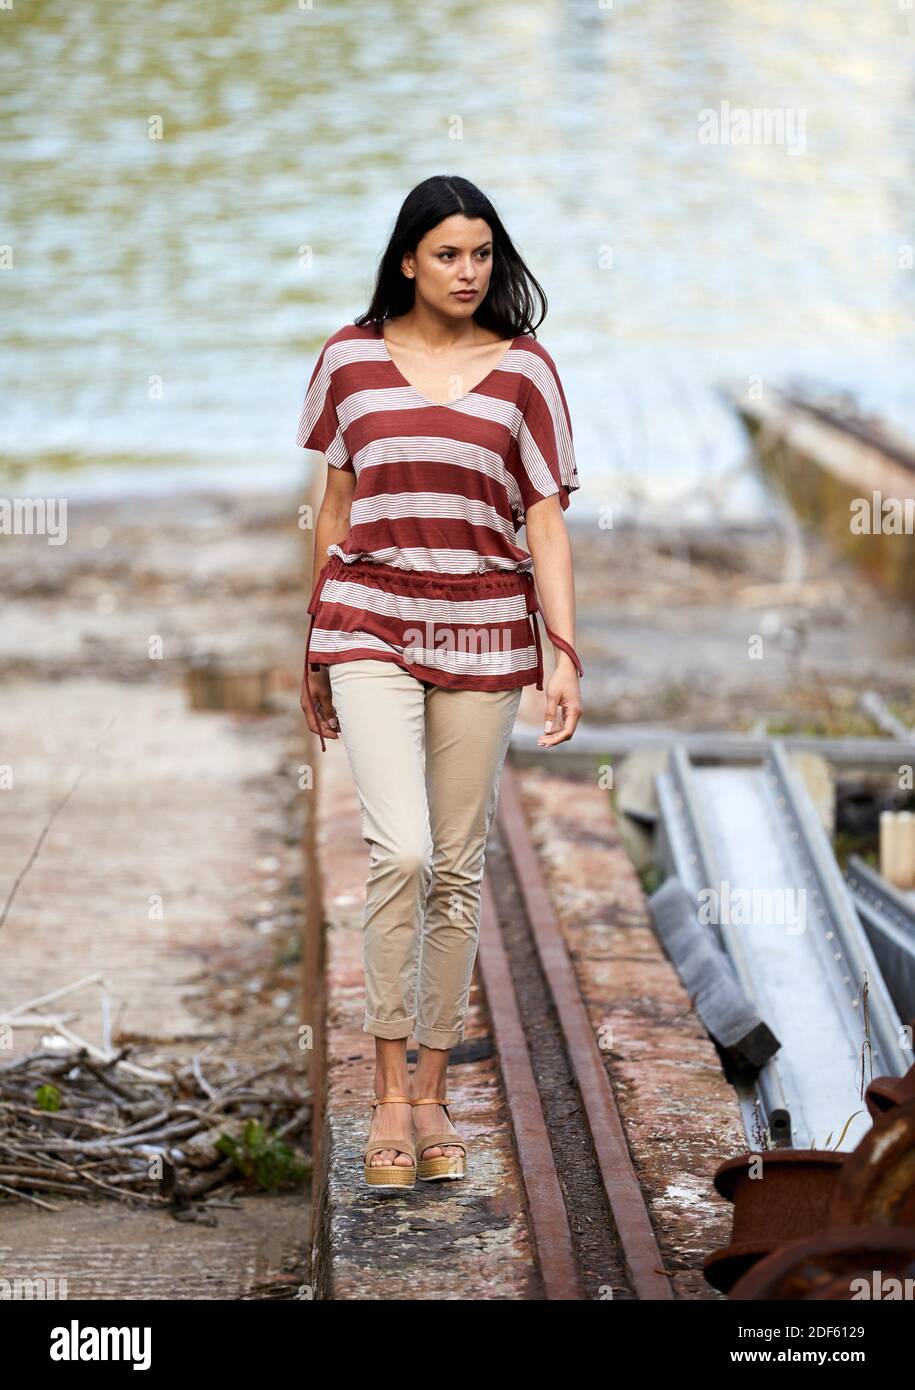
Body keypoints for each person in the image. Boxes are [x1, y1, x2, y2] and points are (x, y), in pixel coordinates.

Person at [295, 174, 583, 1190]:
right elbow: (332, 513)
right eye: (449, 254)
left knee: (459, 867)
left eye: (482, 254)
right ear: (408, 259)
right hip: (369, 618)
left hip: (485, 631)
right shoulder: (349, 358)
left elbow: (544, 517)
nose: (468, 272)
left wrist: (563, 648)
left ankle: (429, 1095)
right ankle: (382, 1097)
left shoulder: (526, 373)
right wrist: (315, 647)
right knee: (404, 852)